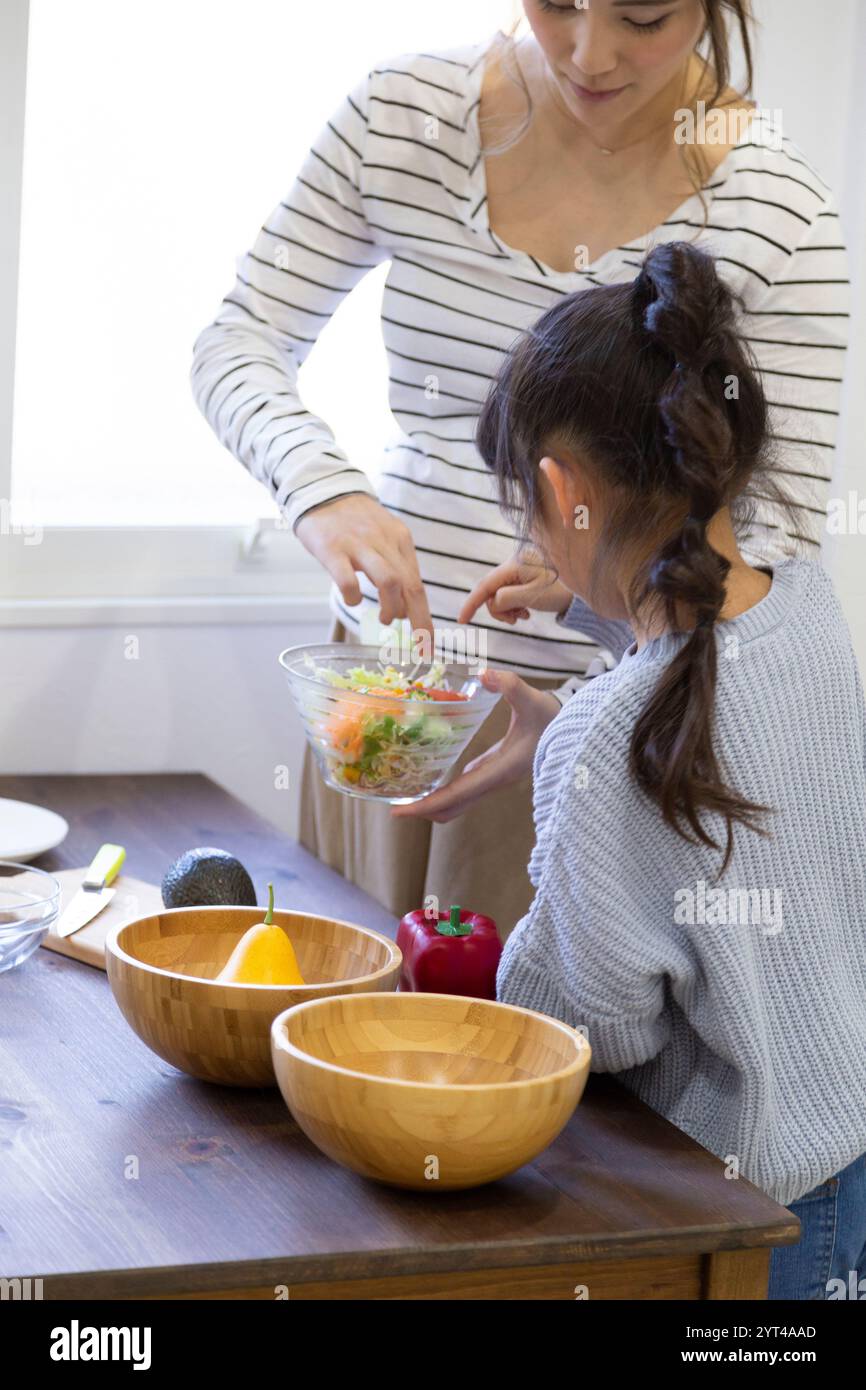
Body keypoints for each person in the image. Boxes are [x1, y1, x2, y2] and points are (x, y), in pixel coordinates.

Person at [190, 1, 848, 933]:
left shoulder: (781, 218)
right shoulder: (404, 114)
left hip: (602, 737)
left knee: (523, 1059)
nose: (590, 55)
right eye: (558, 4)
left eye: (643, 17)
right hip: (386, 703)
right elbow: (237, 338)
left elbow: (775, 548)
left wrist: (589, 725)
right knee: (325, 1032)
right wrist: (323, 491)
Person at [399, 238, 866, 1301]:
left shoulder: (606, 738)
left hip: (730, 1211)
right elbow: (706, 686)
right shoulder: (806, 609)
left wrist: (564, 778)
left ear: (563, 491)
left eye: (528, 505)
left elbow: (585, 1025)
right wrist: (588, 666)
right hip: (840, 1152)